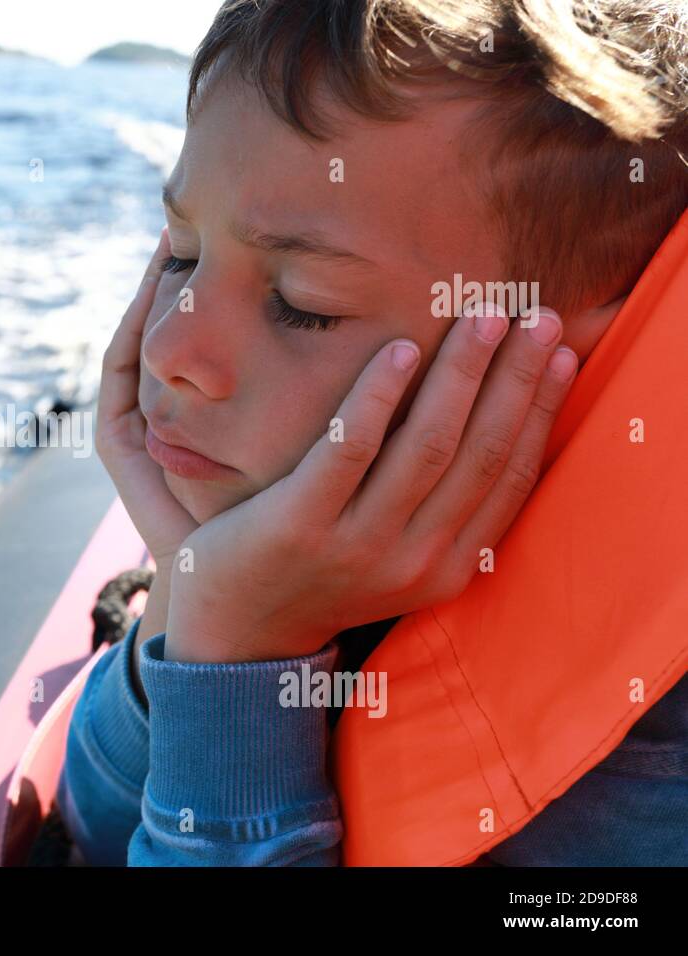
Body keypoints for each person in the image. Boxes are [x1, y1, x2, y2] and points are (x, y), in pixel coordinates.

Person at [58, 0, 688, 865]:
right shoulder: (261, 511)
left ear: (562, 353)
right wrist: (194, 600)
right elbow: (93, 826)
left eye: (303, 306)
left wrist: (242, 658)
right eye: (180, 253)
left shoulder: (650, 755)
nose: (169, 349)